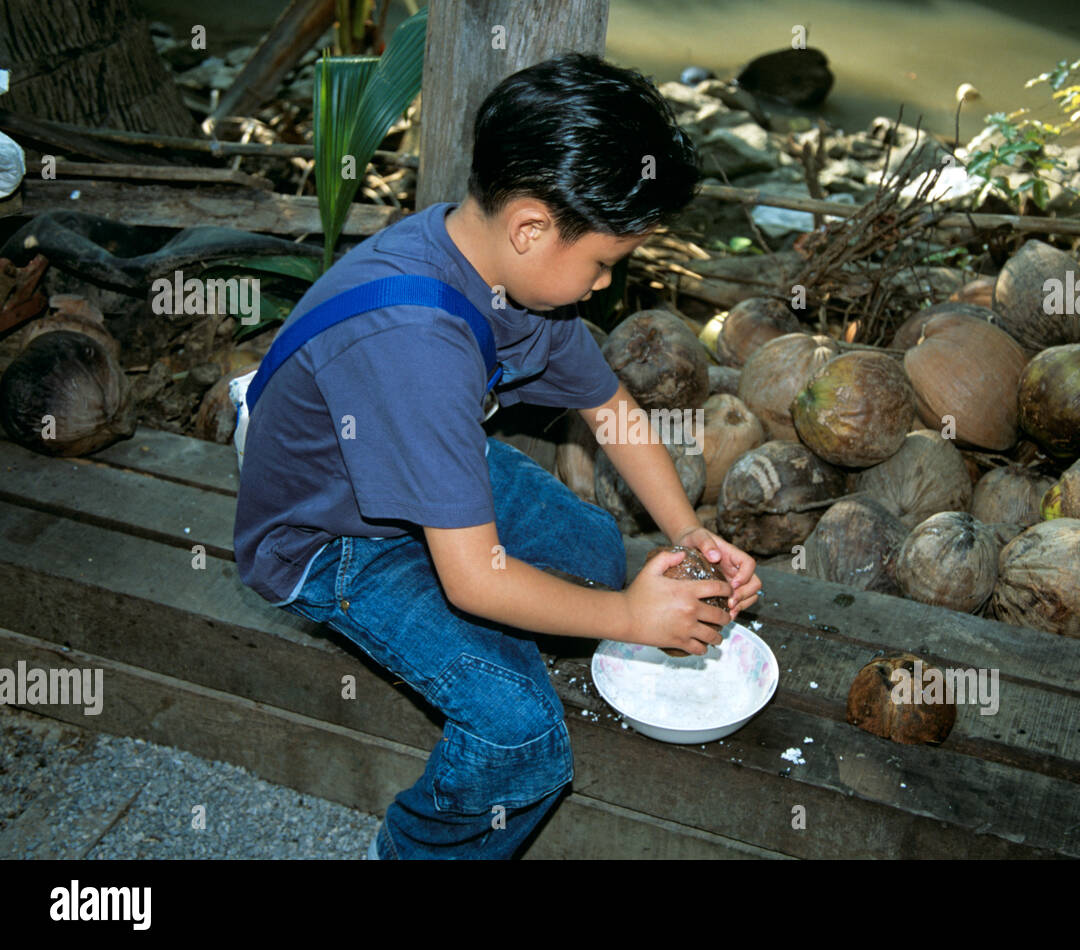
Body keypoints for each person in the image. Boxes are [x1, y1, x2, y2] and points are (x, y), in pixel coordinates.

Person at [232, 51, 762, 860]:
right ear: (531, 226)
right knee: (522, 735)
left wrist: (689, 534)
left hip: (415, 466)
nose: (600, 289)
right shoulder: (418, 346)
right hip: (330, 537)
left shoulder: (514, 275)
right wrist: (627, 618)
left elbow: (608, 408)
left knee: (594, 550)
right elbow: (473, 578)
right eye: (603, 267)